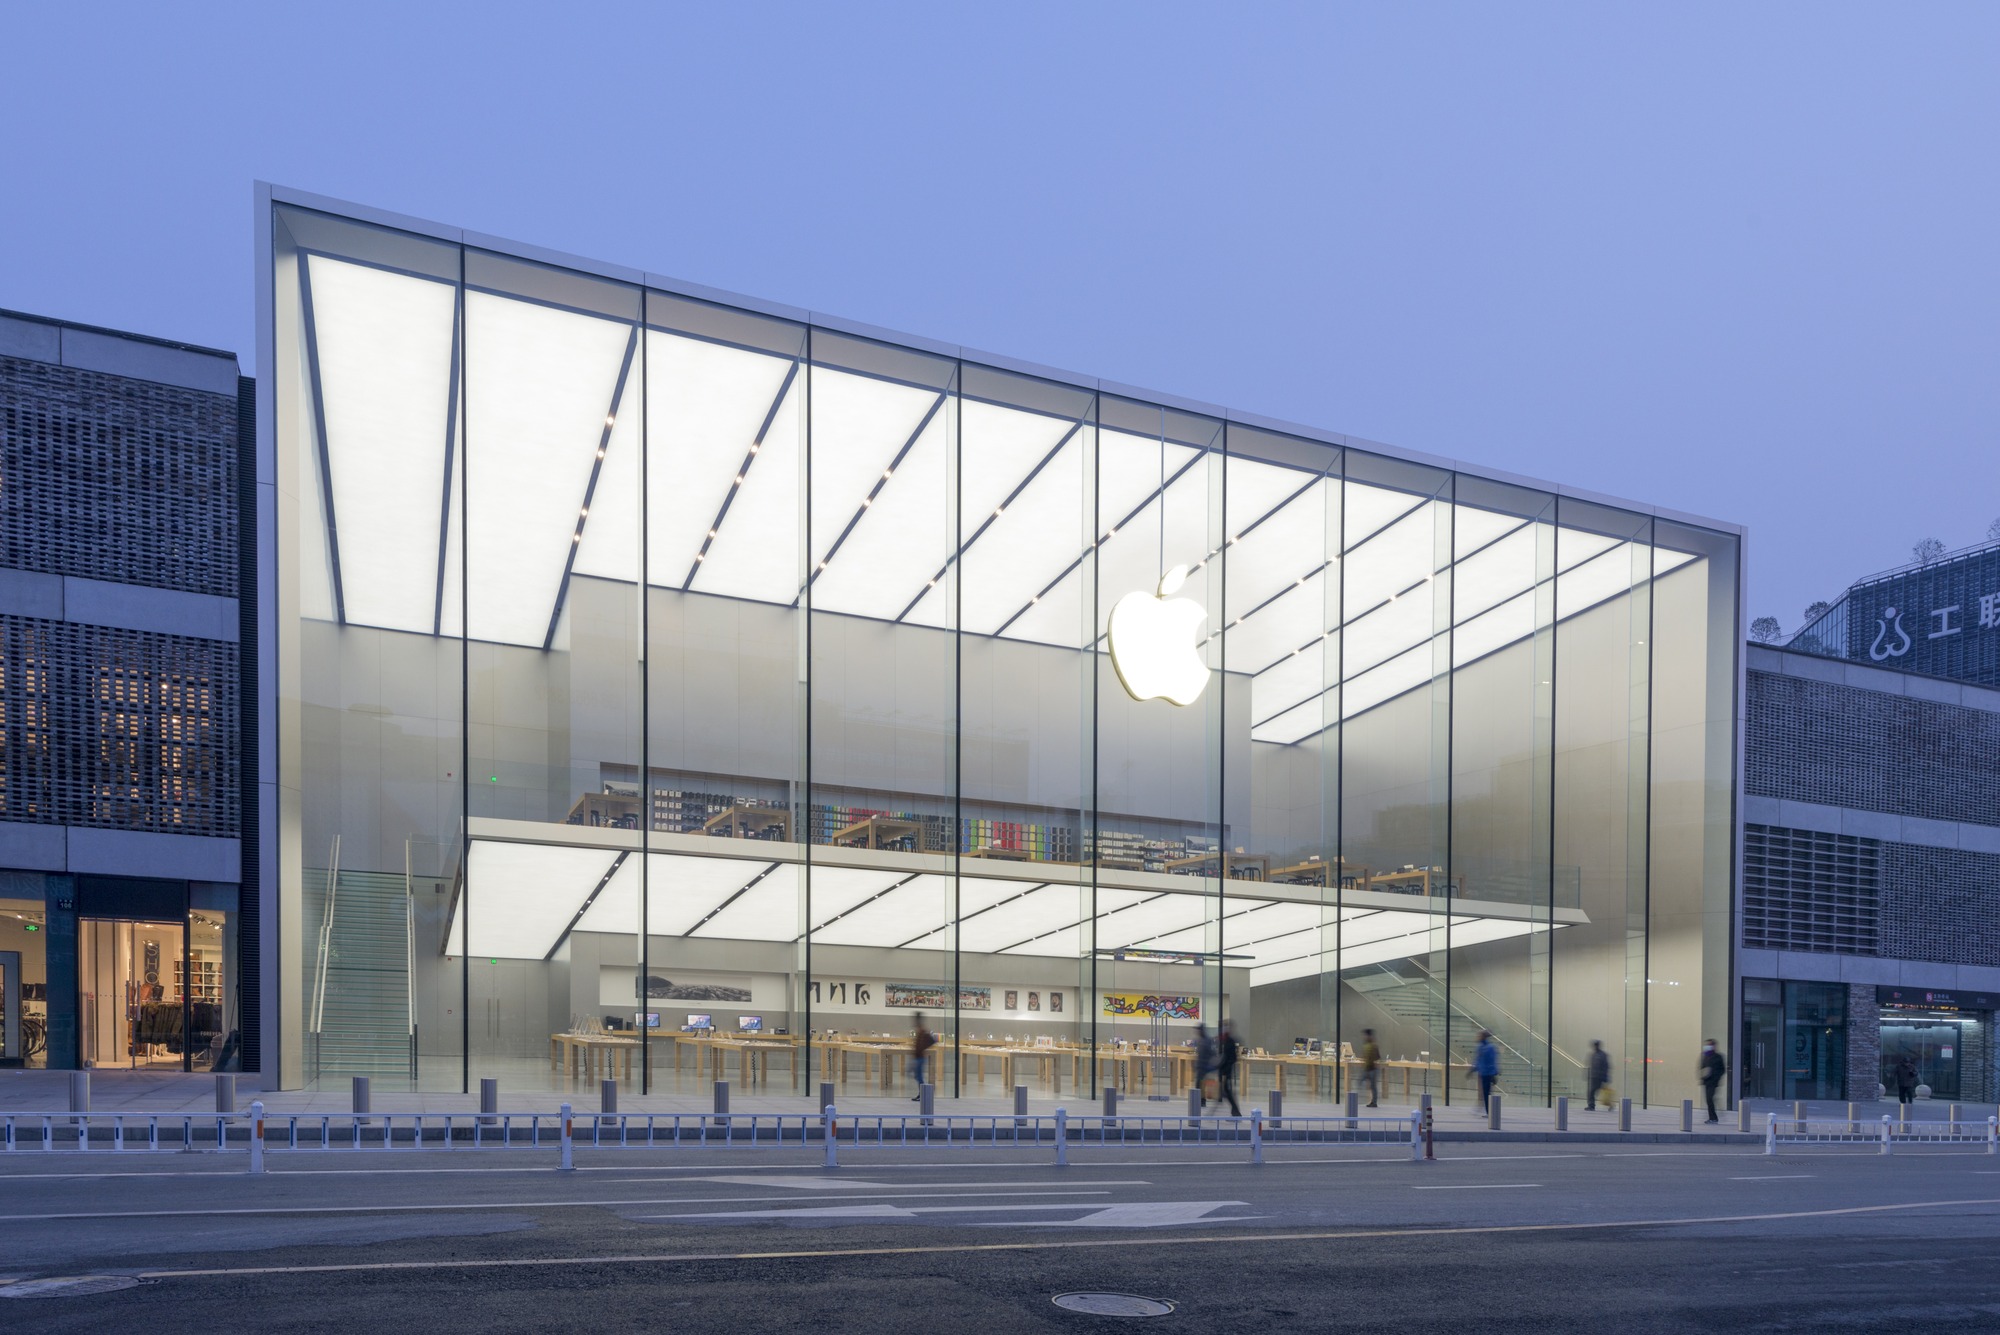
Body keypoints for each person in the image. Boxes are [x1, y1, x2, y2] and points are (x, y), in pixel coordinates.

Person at [1216, 1020, 1243, 1117]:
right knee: (1227, 1090)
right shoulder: (1225, 1040)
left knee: (1227, 1090)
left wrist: (1225, 1067)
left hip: (1227, 1071)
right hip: (1225, 1070)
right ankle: (1234, 1110)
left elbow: (1232, 1057)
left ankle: (1236, 1111)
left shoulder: (1230, 1041)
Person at [1698, 1039, 1727, 1123]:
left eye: (1710, 1045)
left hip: (1713, 1082)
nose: (1708, 1047)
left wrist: (1715, 1076)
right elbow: (1701, 1067)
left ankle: (1713, 1118)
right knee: (1708, 1099)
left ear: (1714, 1046)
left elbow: (1722, 1070)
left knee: (1710, 1098)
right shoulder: (1705, 1056)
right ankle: (1712, 1117)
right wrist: (1702, 1075)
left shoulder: (1718, 1057)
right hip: (1706, 1081)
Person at [909, 1013, 936, 1101]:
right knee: (917, 1076)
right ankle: (922, 1093)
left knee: (919, 1077)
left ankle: (923, 1094)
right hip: (917, 1057)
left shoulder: (923, 1031)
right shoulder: (920, 1031)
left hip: (920, 1058)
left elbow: (933, 1040)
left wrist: (923, 1048)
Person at [1472, 1031, 1501, 1111]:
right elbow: (1478, 1059)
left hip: (1487, 1073)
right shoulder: (1481, 1047)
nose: (1478, 1037)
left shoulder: (1489, 1047)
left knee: (1487, 1093)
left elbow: (1492, 1060)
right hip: (1483, 1072)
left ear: (1484, 1037)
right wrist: (1473, 1069)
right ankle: (1487, 1109)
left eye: (1479, 1036)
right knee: (1485, 1092)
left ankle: (1489, 1111)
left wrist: (1494, 1072)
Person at [1193, 1023, 1218, 1109]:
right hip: (1200, 1065)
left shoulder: (1207, 1041)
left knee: (1201, 1084)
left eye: (1198, 1030)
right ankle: (1199, 1101)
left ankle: (1202, 1101)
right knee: (1199, 1084)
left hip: (1204, 1066)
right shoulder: (1200, 1040)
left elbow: (1212, 1053)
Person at [1585, 1040, 1611, 1112]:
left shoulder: (1602, 1055)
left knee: (1594, 1092)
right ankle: (1591, 1105)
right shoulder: (1593, 1054)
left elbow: (1606, 1066)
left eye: (1596, 1045)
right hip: (1594, 1077)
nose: (1595, 1046)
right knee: (1592, 1092)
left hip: (1600, 1077)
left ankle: (1592, 1106)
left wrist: (1605, 1077)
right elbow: (1591, 1066)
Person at [1360, 1029, 1382, 1108]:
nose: (1364, 1037)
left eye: (1365, 1035)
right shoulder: (1367, 1045)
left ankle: (1374, 1102)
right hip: (1368, 1069)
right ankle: (1368, 1100)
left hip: (1372, 1069)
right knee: (1363, 1083)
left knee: (1372, 1086)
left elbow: (1377, 1057)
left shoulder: (1373, 1046)